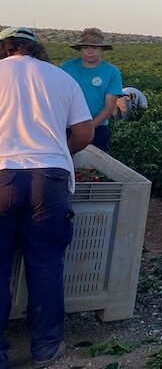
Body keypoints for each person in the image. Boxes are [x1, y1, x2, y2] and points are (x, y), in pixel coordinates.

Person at [0, 27, 94, 369]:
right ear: (36, 49)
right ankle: (47, 348)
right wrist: (58, 153)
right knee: (46, 265)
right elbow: (84, 133)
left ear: (4, 48)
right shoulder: (61, 78)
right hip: (50, 180)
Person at [60, 28, 123, 152]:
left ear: (101, 49)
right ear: (81, 49)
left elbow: (109, 107)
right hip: (66, 126)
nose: (89, 51)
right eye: (85, 47)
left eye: (94, 48)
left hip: (97, 127)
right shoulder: (67, 67)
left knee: (94, 167)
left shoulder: (112, 72)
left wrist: (89, 128)